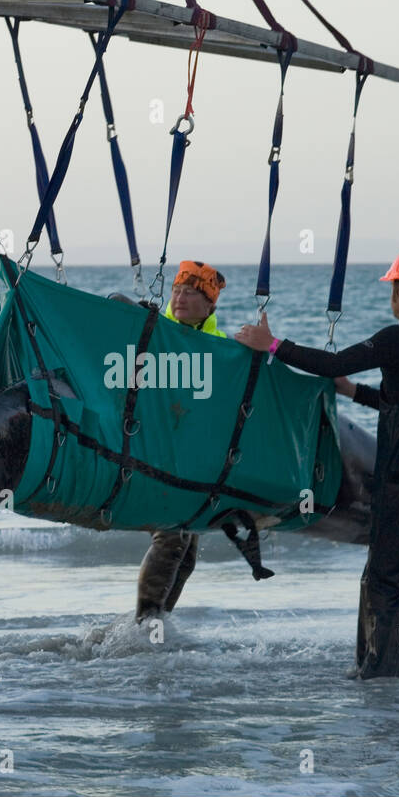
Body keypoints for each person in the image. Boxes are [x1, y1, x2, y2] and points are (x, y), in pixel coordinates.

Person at [235, 248, 399, 677]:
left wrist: (273, 345)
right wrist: (354, 392)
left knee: (386, 585)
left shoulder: (397, 338)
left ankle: (381, 681)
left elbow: (334, 362)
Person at [135, 259, 227, 623]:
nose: (180, 297)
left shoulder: (220, 347)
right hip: (156, 456)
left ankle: (157, 623)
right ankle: (146, 623)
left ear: (210, 305)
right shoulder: (155, 330)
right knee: (172, 539)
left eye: (191, 292)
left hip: (194, 463)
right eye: (176, 290)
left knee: (186, 549)